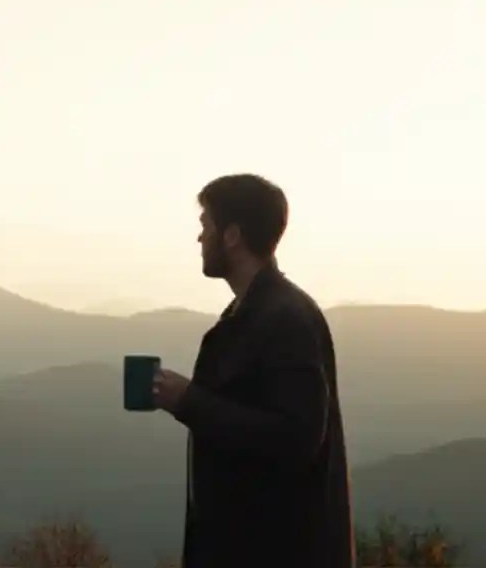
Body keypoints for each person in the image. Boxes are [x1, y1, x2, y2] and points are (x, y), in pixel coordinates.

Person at [152, 174, 355, 568]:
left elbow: (297, 437)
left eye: (205, 226)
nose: (199, 239)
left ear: (232, 235)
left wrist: (188, 401)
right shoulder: (254, 313)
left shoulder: (286, 318)